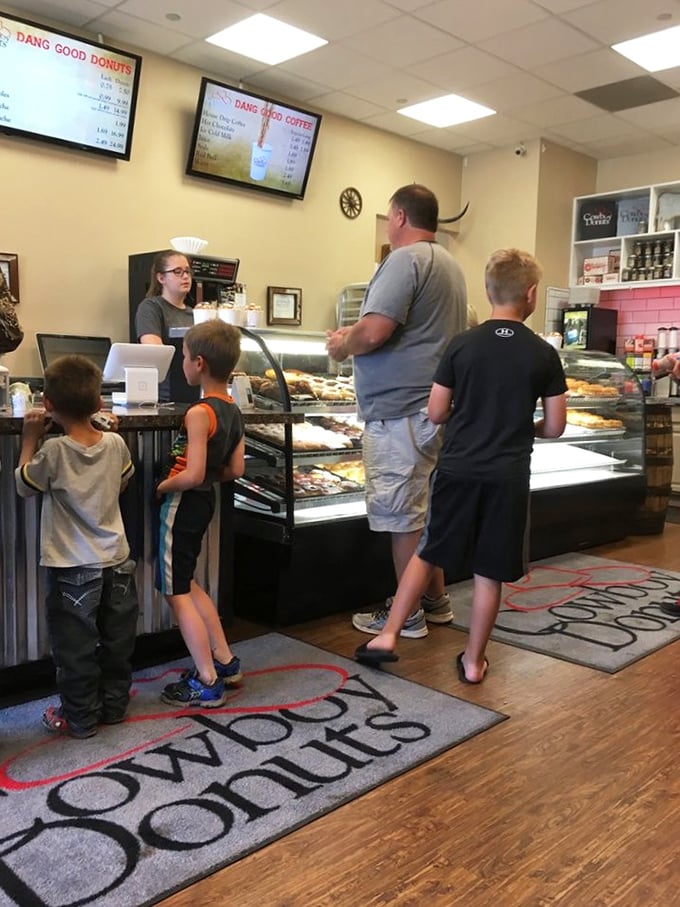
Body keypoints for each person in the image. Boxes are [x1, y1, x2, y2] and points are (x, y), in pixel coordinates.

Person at [354, 248, 567, 682]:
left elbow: (435, 411)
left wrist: (466, 414)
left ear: (489, 291)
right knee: (489, 569)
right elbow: (557, 425)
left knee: (429, 548)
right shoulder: (543, 354)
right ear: (530, 294)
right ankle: (473, 662)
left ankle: (389, 636)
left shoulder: (462, 344)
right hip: (507, 475)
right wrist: (523, 428)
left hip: (457, 469)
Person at [326, 184, 468, 639]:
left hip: (400, 411)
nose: (389, 223)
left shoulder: (404, 259)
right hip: (431, 408)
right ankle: (435, 600)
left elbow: (374, 332)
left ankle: (405, 614)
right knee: (423, 511)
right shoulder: (448, 263)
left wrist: (342, 344)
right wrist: (362, 329)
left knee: (403, 515)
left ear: (401, 217)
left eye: (389, 216)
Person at [15, 355, 137, 737]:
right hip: (116, 561)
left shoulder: (53, 451)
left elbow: (24, 485)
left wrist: (30, 438)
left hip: (71, 567)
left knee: (75, 648)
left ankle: (80, 718)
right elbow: (122, 483)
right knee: (117, 641)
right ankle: (114, 707)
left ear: (47, 405)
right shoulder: (116, 443)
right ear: (100, 404)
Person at [156, 319, 246, 707]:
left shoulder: (198, 412)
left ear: (199, 363)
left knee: (174, 591)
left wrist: (162, 486)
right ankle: (225, 660)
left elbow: (190, 474)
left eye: (186, 357)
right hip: (206, 501)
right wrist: (207, 475)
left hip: (182, 503)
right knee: (188, 580)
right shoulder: (233, 410)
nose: (183, 363)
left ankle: (207, 681)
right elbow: (235, 470)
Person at [135, 249, 200, 403]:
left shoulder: (195, 313)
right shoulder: (151, 307)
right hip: (165, 398)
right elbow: (155, 351)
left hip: (194, 394)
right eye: (177, 271)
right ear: (161, 277)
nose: (185, 276)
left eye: (187, 271)